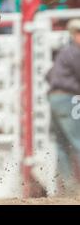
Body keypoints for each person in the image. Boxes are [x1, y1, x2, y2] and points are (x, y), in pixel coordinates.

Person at [47, 19, 80, 195]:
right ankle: (70, 186)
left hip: (55, 99)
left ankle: (67, 186)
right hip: (68, 99)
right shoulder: (76, 53)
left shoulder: (65, 52)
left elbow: (49, 74)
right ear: (75, 35)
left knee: (61, 143)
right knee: (77, 141)